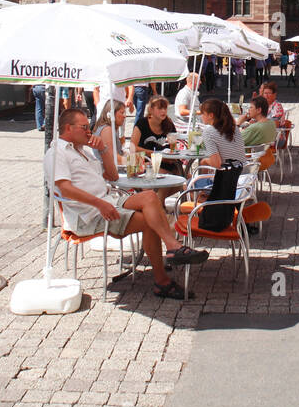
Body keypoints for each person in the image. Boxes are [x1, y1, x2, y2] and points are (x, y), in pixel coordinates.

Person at [45, 107, 208, 301]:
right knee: (150, 220)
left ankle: (172, 247)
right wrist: (99, 204)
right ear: (68, 128)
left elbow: (113, 176)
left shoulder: (85, 150)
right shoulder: (57, 153)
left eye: (88, 126)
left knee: (150, 196)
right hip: (90, 214)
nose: (89, 131)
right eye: (84, 127)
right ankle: (162, 280)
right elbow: (65, 189)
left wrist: (103, 150)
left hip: (110, 200)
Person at [197, 98, 247, 166]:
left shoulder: (208, 132)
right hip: (243, 172)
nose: (201, 116)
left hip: (226, 174)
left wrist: (204, 161)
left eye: (203, 113)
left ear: (211, 115)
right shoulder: (234, 128)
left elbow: (217, 164)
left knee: (202, 164)